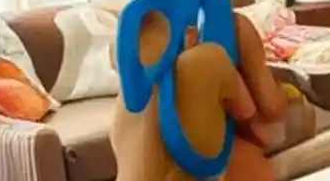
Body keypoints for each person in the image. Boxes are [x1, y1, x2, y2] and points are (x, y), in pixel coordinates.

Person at [110, 11, 287, 180]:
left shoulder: (125, 103)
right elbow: (250, 113)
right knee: (249, 150)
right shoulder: (211, 56)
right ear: (187, 32)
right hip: (221, 158)